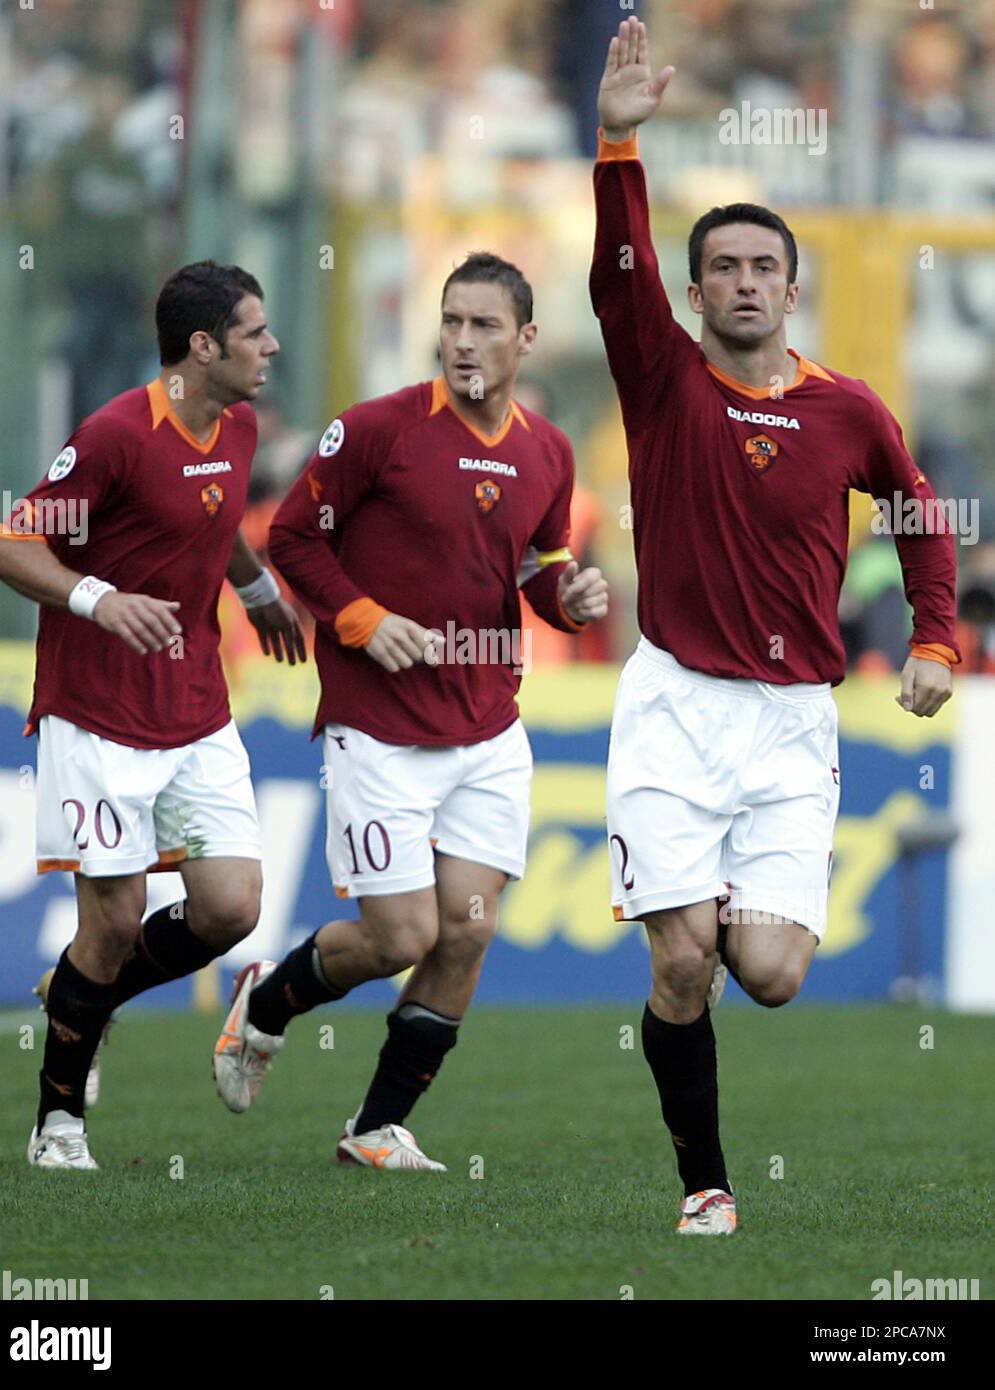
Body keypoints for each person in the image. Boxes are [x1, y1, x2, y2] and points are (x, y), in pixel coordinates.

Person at [592, 20, 960, 1234]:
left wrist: (936, 635)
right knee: (683, 959)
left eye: (766, 267)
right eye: (725, 268)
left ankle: (707, 1110)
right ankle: (707, 1183)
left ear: (791, 288)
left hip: (794, 723)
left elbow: (920, 516)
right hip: (673, 705)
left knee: (772, 975)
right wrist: (620, 143)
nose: (746, 282)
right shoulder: (663, 380)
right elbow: (615, 275)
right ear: (695, 293)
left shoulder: (848, 410)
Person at [213, 252, 609, 1170]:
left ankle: (377, 1126)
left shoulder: (547, 451)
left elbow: (537, 571)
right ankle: (266, 1004)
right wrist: (362, 619)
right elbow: (289, 541)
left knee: (465, 929)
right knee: (400, 937)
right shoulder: (377, 430)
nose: (463, 341)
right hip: (379, 725)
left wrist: (569, 601)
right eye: (452, 321)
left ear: (525, 340)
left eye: (484, 325)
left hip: (487, 727)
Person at [0, 261, 305, 1171]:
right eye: (254, 332)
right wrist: (97, 597)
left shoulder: (237, 425)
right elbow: (8, 547)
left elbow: (212, 516)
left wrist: (255, 587)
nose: (271, 346)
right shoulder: (116, 435)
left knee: (231, 908)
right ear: (201, 347)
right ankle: (58, 1126)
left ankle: (79, 998)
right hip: (97, 712)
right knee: (114, 925)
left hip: (196, 707)